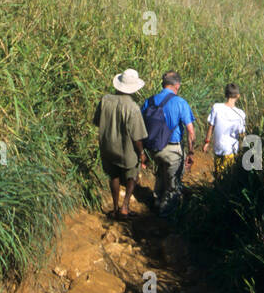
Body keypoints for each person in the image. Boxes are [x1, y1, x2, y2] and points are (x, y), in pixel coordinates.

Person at [93, 69, 148, 218]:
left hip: (108, 147)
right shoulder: (133, 108)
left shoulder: (105, 100)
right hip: (127, 150)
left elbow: (97, 122)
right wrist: (142, 154)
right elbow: (137, 137)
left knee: (114, 176)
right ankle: (125, 207)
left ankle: (115, 207)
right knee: (132, 176)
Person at [141, 71, 195, 216]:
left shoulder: (149, 101)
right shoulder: (180, 102)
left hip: (154, 149)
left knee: (160, 174)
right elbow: (191, 132)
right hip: (172, 150)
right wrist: (190, 152)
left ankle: (156, 202)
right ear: (177, 85)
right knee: (173, 184)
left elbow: (140, 126)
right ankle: (166, 216)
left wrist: (142, 151)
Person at [202, 82, 246, 178]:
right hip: (231, 150)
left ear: (225, 94)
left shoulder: (216, 107)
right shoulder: (240, 114)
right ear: (238, 96)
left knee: (218, 174)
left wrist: (207, 142)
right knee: (227, 176)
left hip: (218, 148)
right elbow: (242, 134)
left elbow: (211, 126)